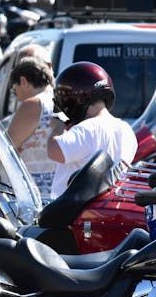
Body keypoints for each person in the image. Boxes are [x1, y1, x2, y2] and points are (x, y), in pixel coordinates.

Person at [47, 62, 137, 199]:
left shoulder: (87, 130)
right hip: (105, 207)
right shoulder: (126, 130)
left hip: (72, 212)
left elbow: (54, 151)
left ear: (74, 100)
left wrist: (59, 123)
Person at [6, 57, 58, 201]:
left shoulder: (33, 104)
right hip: (61, 189)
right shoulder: (63, 99)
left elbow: (5, 149)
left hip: (38, 195)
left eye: (14, 91)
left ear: (23, 81)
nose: (17, 99)